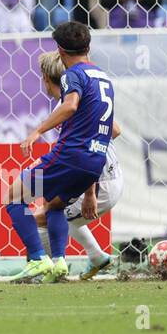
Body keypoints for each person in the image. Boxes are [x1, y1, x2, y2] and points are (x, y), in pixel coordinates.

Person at [5, 21, 114, 284]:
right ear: (88, 47)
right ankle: (59, 262)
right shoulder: (103, 77)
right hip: (95, 161)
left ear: (61, 51)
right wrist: (90, 190)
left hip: (70, 155)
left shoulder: (71, 74)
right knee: (56, 204)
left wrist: (37, 131)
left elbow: (70, 105)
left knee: (13, 196)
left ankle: (36, 259)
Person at [31, 51, 121, 280]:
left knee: (40, 218)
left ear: (46, 78)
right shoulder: (85, 101)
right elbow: (116, 130)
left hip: (99, 182)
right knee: (54, 204)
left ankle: (49, 272)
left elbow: (84, 150)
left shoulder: (66, 108)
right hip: (113, 177)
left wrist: (90, 191)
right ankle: (97, 257)